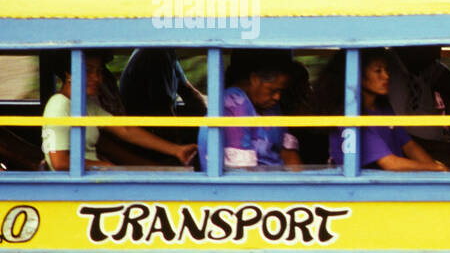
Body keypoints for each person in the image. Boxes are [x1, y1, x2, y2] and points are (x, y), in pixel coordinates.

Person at [41, 52, 197, 171]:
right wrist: (104, 166)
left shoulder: (86, 104)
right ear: (69, 74)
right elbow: (60, 162)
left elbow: (126, 130)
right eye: (88, 71)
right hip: (74, 186)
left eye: (99, 72)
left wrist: (177, 150)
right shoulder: (59, 105)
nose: (97, 79)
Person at [327, 49, 449, 171]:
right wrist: (436, 168)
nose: (386, 76)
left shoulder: (383, 108)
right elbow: (390, 164)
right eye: (378, 71)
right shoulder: (351, 114)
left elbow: (408, 145)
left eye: (386, 70)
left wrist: (438, 171)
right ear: (358, 74)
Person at [199, 51, 294, 169]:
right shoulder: (233, 102)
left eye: (281, 92)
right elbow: (242, 170)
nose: (277, 97)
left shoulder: (272, 108)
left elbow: (289, 155)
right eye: (272, 91)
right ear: (254, 79)